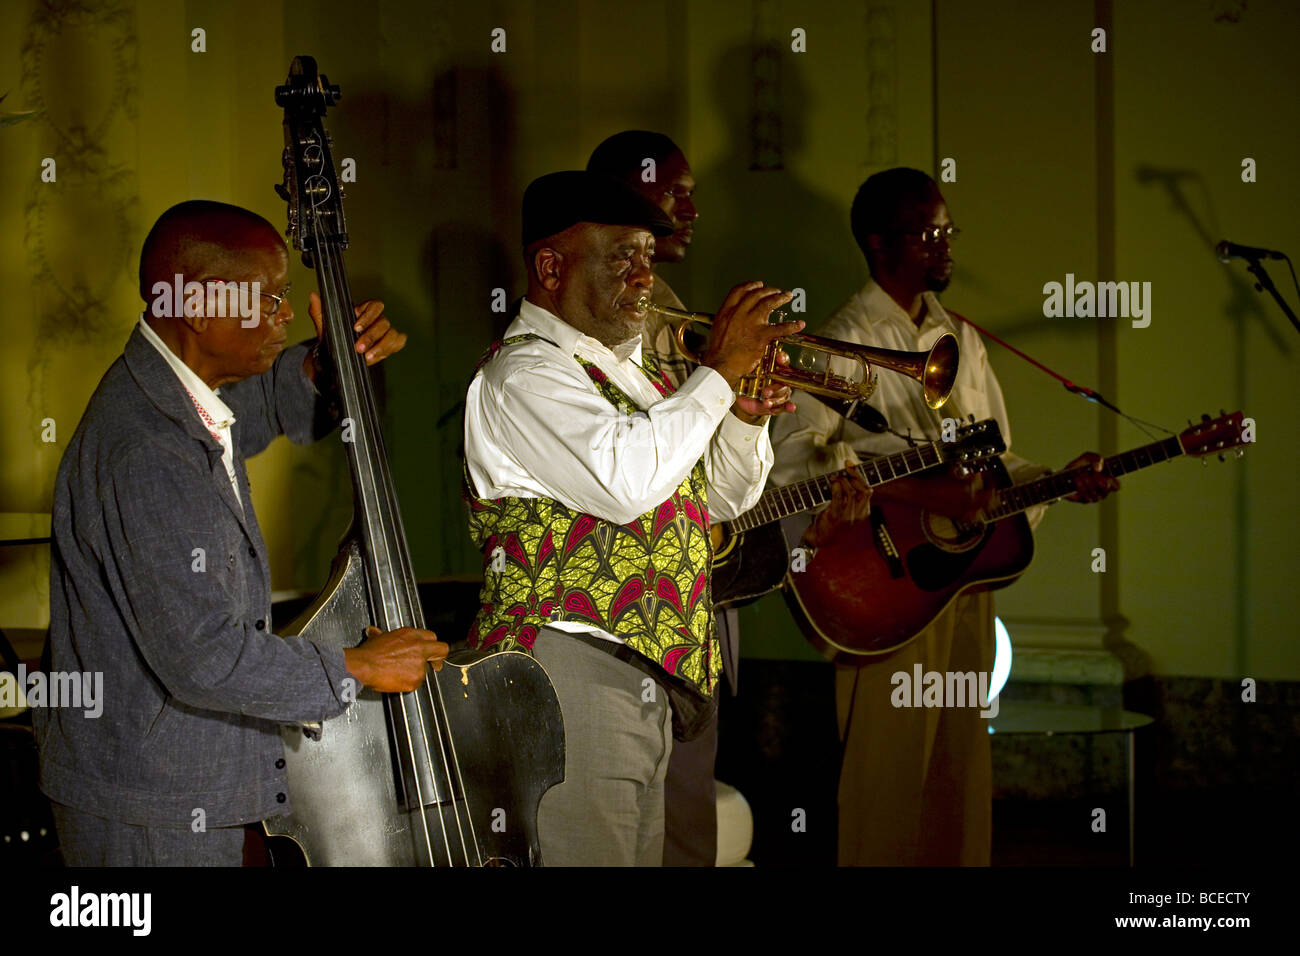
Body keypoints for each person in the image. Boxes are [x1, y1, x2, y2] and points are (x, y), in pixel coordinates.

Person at [34, 200, 448, 866]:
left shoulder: (170, 393)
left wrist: (321, 370)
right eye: (272, 301)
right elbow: (201, 657)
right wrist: (355, 666)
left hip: (165, 787)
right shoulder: (145, 449)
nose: (286, 317)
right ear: (198, 308)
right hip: (149, 807)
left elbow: (234, 429)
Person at [770, 168, 1118, 866]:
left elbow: (995, 458)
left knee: (958, 776)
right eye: (929, 233)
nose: (945, 246)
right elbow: (793, 463)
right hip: (884, 584)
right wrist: (925, 497)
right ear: (878, 244)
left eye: (947, 232)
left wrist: (1054, 482)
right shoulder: (843, 339)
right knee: (886, 779)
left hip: (959, 576)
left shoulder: (961, 340)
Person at [462, 170, 802, 866]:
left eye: (649, 257)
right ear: (551, 266)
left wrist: (740, 415)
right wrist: (716, 376)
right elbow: (627, 484)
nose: (645, 277)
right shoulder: (525, 374)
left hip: (647, 678)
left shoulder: (632, 379)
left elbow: (718, 500)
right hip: (569, 672)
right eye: (622, 257)